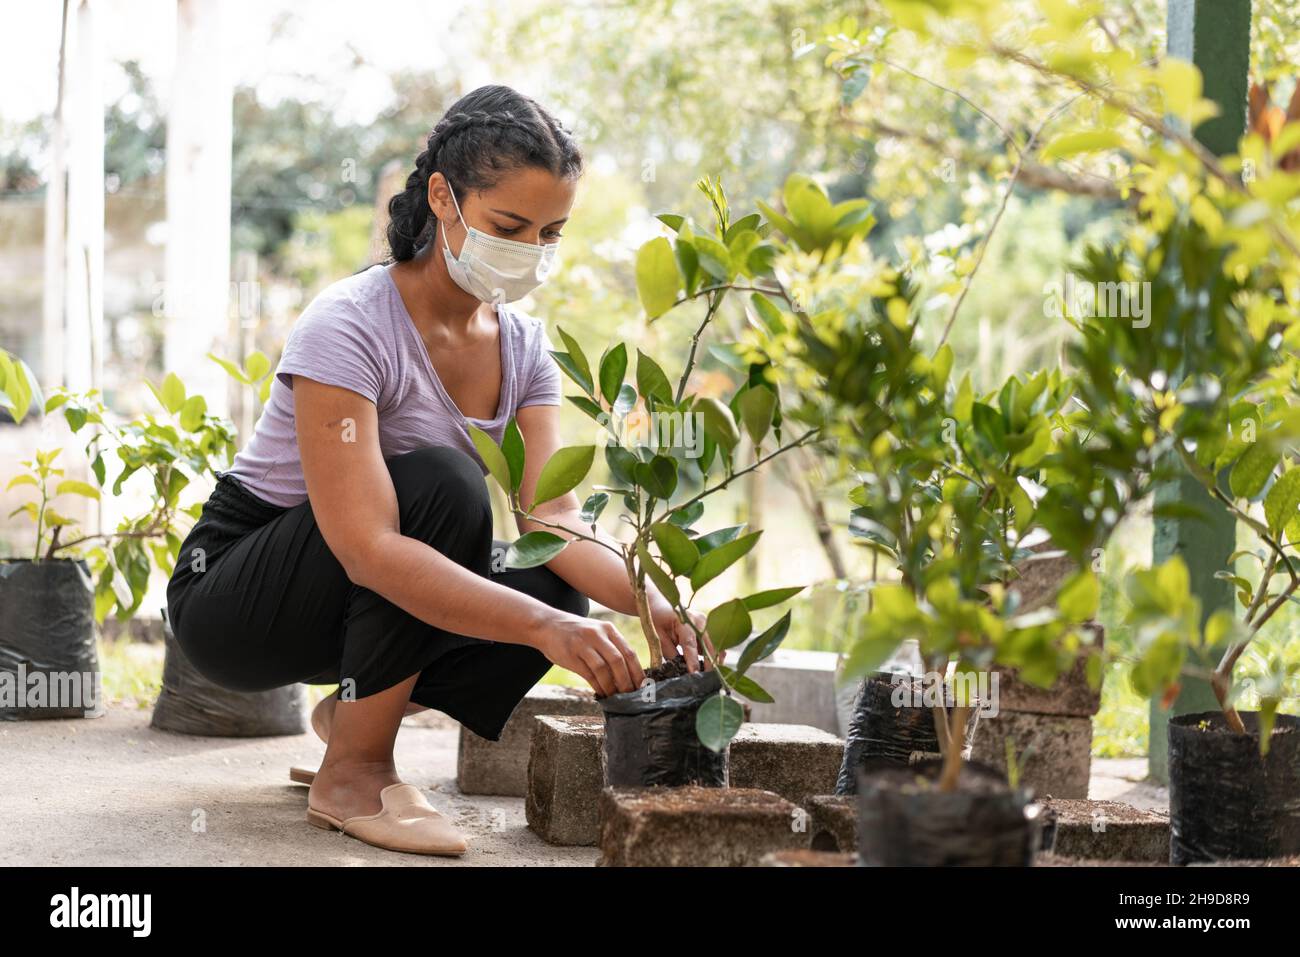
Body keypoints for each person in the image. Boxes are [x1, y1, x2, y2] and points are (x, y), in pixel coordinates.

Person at [165, 85, 713, 857]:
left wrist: (654, 600)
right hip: (237, 598)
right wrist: (543, 628)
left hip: (350, 598)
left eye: (549, 233)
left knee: (552, 573)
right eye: (509, 226)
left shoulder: (522, 347)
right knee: (446, 489)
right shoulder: (350, 323)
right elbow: (366, 548)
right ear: (442, 199)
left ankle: (351, 715)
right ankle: (353, 773)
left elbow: (552, 520)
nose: (530, 251)